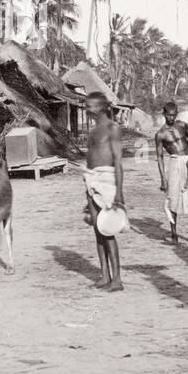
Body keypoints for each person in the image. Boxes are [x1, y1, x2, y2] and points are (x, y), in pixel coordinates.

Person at [82, 91, 126, 292]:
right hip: (91, 180)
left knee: (107, 229)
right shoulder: (93, 131)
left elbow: (117, 161)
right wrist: (87, 191)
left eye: (89, 106)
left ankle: (117, 279)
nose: (86, 109)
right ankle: (104, 276)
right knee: (97, 230)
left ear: (100, 107)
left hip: (107, 180)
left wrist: (119, 192)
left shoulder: (112, 128)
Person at [155, 101, 188, 243]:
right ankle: (173, 233)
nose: (171, 118)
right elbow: (159, 157)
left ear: (176, 114)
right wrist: (162, 179)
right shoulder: (160, 134)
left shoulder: (182, 125)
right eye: (168, 115)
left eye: (173, 115)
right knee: (172, 198)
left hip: (187, 160)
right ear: (164, 114)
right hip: (174, 161)